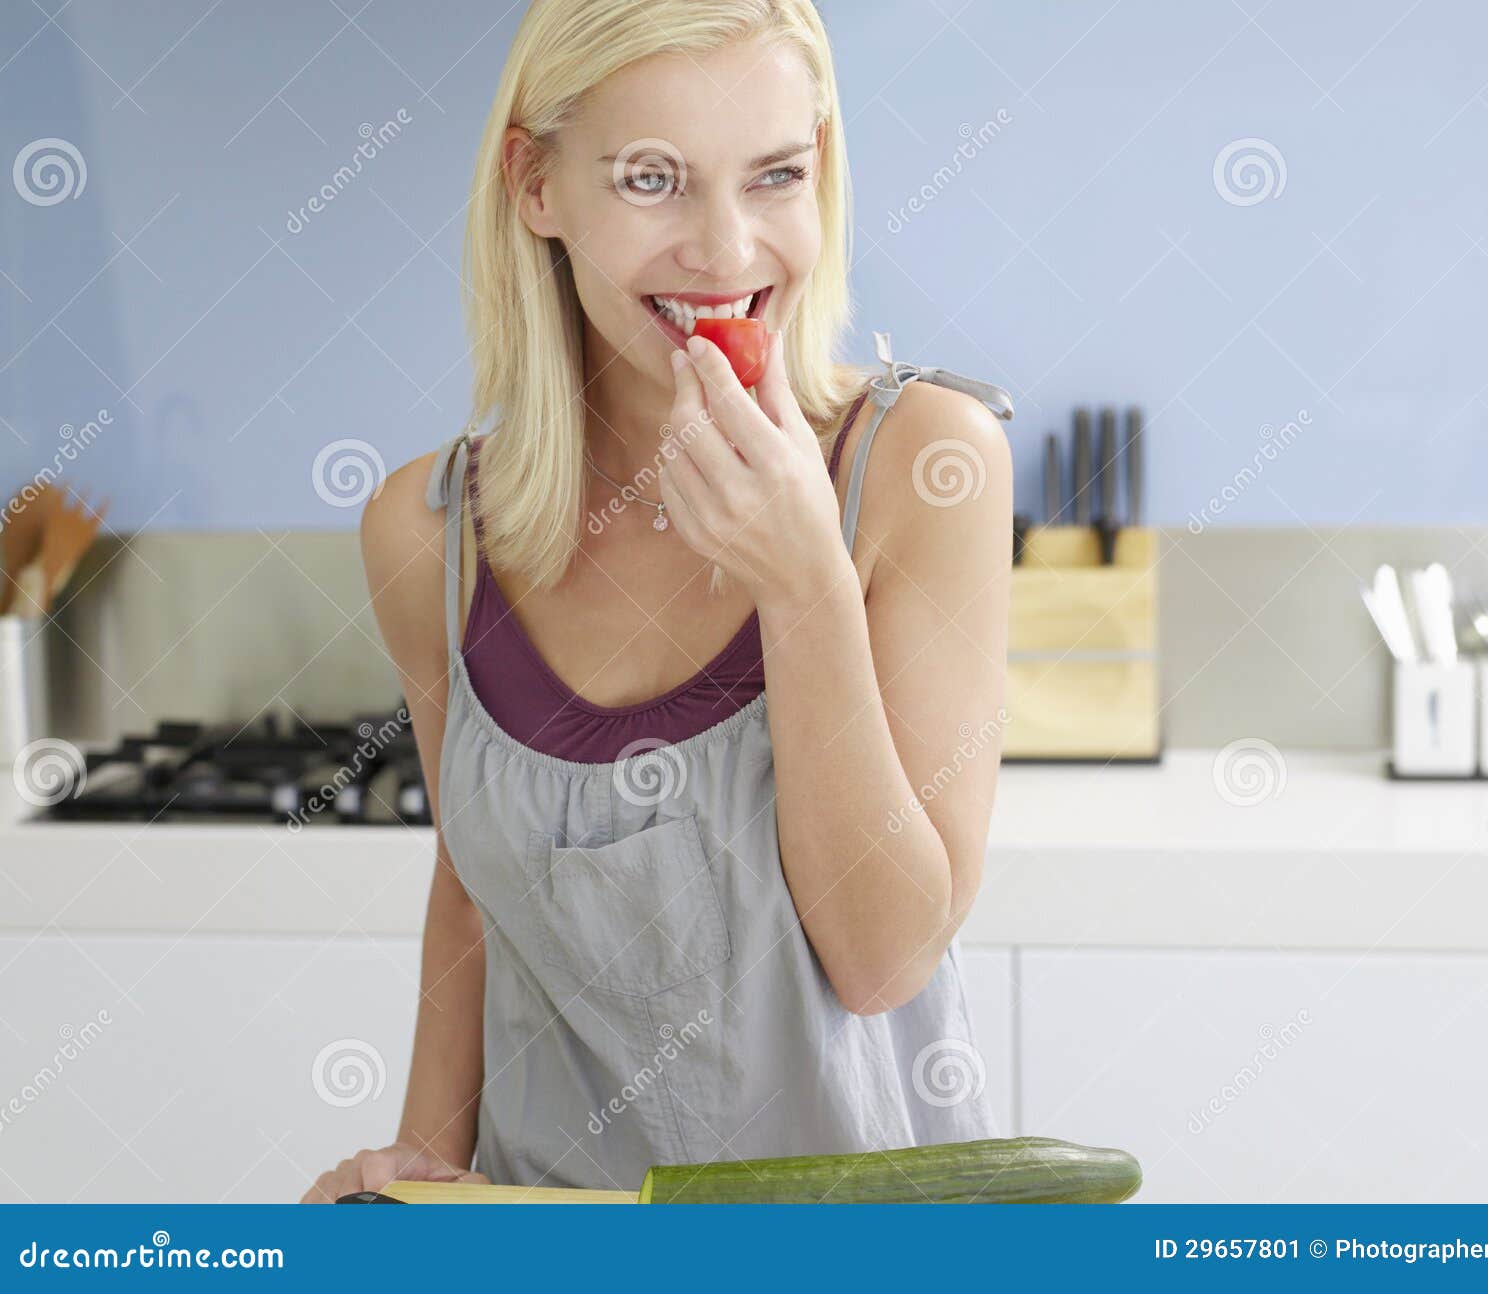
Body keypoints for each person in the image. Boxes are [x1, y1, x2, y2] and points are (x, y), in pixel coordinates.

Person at [302, 0, 1014, 1203]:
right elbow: (476, 888)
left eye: (774, 175)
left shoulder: (921, 468)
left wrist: (802, 586)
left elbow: (884, 954)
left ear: (821, 174)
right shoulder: (428, 535)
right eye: (653, 181)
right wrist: (414, 1186)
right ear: (535, 185)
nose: (727, 251)